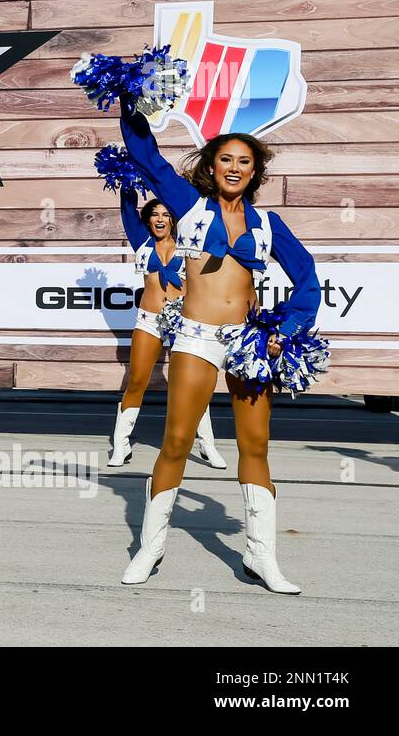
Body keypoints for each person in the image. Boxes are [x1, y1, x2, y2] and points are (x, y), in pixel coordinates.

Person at [118, 107, 321, 593]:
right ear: (211, 166)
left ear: (256, 171)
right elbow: (149, 160)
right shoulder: (187, 206)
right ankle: (150, 547)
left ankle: (262, 557)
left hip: (249, 343)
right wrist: (130, 105)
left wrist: (287, 327)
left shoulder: (269, 224)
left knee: (255, 448)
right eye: (225, 159)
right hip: (196, 338)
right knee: (177, 443)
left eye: (244, 161)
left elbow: (308, 279)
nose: (234, 167)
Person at [109, 188, 226, 470]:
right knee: (136, 381)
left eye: (165, 215)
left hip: (183, 322)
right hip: (149, 320)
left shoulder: (188, 243)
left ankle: (207, 444)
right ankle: (121, 444)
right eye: (154, 215)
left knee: (192, 386)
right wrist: (126, 182)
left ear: (173, 220)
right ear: (148, 220)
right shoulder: (142, 242)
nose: (160, 219)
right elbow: (127, 210)